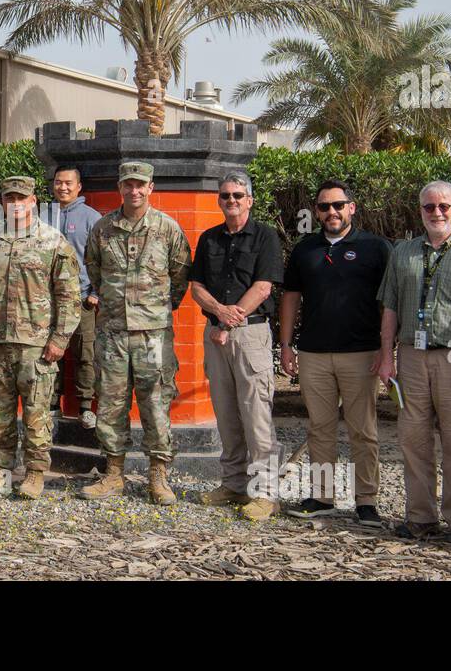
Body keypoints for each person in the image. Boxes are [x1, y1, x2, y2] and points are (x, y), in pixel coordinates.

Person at [377, 180, 451, 546]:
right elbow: (390, 306)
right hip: (411, 358)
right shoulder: (403, 252)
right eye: (429, 207)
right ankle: (420, 518)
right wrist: (387, 357)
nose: (437, 213)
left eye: (444, 206)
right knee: (413, 440)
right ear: (421, 211)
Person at [279, 180, 392, 527]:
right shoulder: (304, 250)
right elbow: (290, 299)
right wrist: (285, 345)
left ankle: (367, 501)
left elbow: (390, 302)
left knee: (364, 430)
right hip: (313, 354)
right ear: (316, 211)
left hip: (362, 354)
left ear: (352, 208)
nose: (332, 212)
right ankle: (322, 496)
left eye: (339, 205)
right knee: (320, 428)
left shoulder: (377, 248)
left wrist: (389, 351)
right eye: (325, 206)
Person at [79, 162, 191, 505]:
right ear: (120, 188)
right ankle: (114, 474)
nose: (134, 191)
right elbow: (94, 270)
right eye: (128, 185)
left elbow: (180, 275)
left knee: (156, 402)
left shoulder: (168, 229)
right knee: (111, 402)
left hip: (153, 335)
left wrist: (155, 309)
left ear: (151, 188)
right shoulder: (102, 229)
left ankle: (158, 475)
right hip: (112, 332)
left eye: (140, 185)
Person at [0, 177, 81, 499]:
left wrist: (59, 340)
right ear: (2, 202)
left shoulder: (53, 242)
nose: (15, 203)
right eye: (9, 198)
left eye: (22, 198)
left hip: (37, 345)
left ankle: (34, 473)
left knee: (36, 414)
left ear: (33, 201)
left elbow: (69, 297)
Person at [189, 171, 284, 520]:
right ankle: (233, 484)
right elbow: (196, 287)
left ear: (250, 200)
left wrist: (230, 320)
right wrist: (218, 314)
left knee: (256, 414)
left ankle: (265, 493)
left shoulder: (265, 237)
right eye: (226, 195)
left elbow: (263, 287)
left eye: (238, 195)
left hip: (250, 335)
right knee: (226, 414)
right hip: (215, 334)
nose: (231, 201)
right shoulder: (209, 239)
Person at [48, 166, 102, 429]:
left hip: (82, 299)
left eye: (68, 183)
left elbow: (104, 259)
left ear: (79, 186)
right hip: (48, 300)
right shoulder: (43, 215)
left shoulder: (92, 218)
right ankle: (51, 404)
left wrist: (95, 292)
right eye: (58, 182)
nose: (63, 188)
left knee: (85, 353)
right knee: (50, 351)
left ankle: (84, 407)